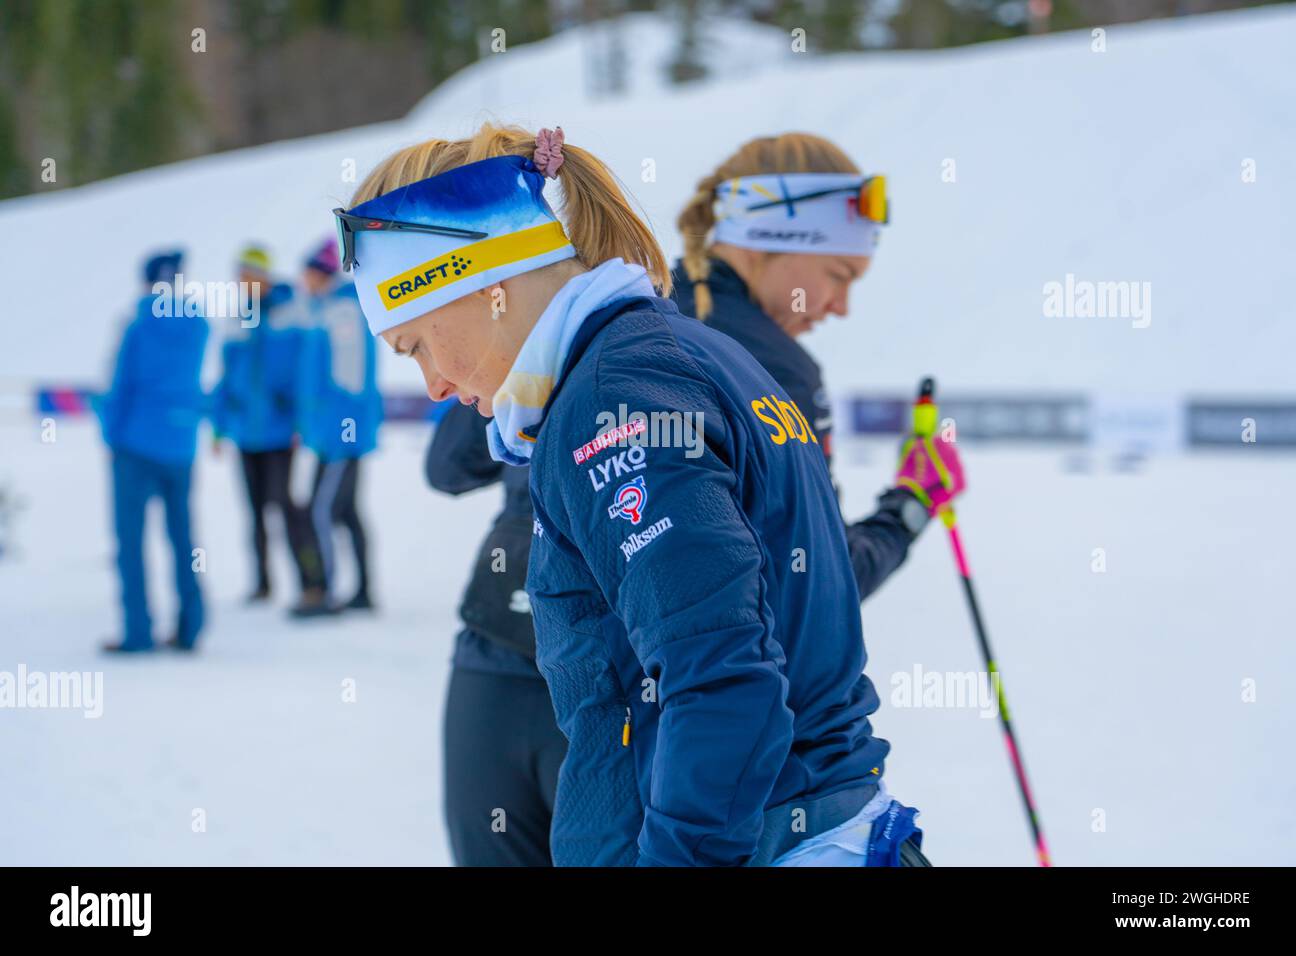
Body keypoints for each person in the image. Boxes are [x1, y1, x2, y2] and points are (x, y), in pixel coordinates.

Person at [338, 123, 944, 866]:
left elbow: (722, 681)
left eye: (417, 344)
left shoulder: (612, 400)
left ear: (484, 288)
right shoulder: (681, 351)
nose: (431, 383)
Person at [673, 133, 965, 602]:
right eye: (839, 275)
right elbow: (821, 579)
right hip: (672, 669)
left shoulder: (618, 315)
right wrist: (913, 501)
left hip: (541, 646)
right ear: (768, 240)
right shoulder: (771, 371)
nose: (841, 306)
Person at [424, 399, 566, 866]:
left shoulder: (690, 350)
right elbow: (447, 467)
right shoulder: (515, 367)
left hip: (619, 674)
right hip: (500, 641)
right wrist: (509, 380)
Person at [97, 250, 207, 653]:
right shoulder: (198, 325)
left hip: (136, 444)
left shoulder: (138, 327)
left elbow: (119, 387)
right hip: (181, 443)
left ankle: (138, 631)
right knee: (183, 537)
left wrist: (110, 436)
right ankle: (191, 626)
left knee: (131, 540)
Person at [212, 244, 329, 616]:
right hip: (246, 433)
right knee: (255, 511)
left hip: (282, 434)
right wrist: (218, 428)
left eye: (248, 276)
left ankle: (312, 583)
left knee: (286, 506)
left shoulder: (292, 312)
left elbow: (306, 374)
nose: (243, 283)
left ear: (263, 277)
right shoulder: (237, 320)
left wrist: (302, 422)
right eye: (239, 277)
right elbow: (225, 379)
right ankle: (262, 583)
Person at [297, 239, 383, 611]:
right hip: (336, 434)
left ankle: (325, 592)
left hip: (339, 437)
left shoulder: (340, 313)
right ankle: (363, 592)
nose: (303, 281)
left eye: (307, 273)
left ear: (320, 273)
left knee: (320, 510)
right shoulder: (332, 309)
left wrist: (338, 434)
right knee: (347, 511)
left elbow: (349, 381)